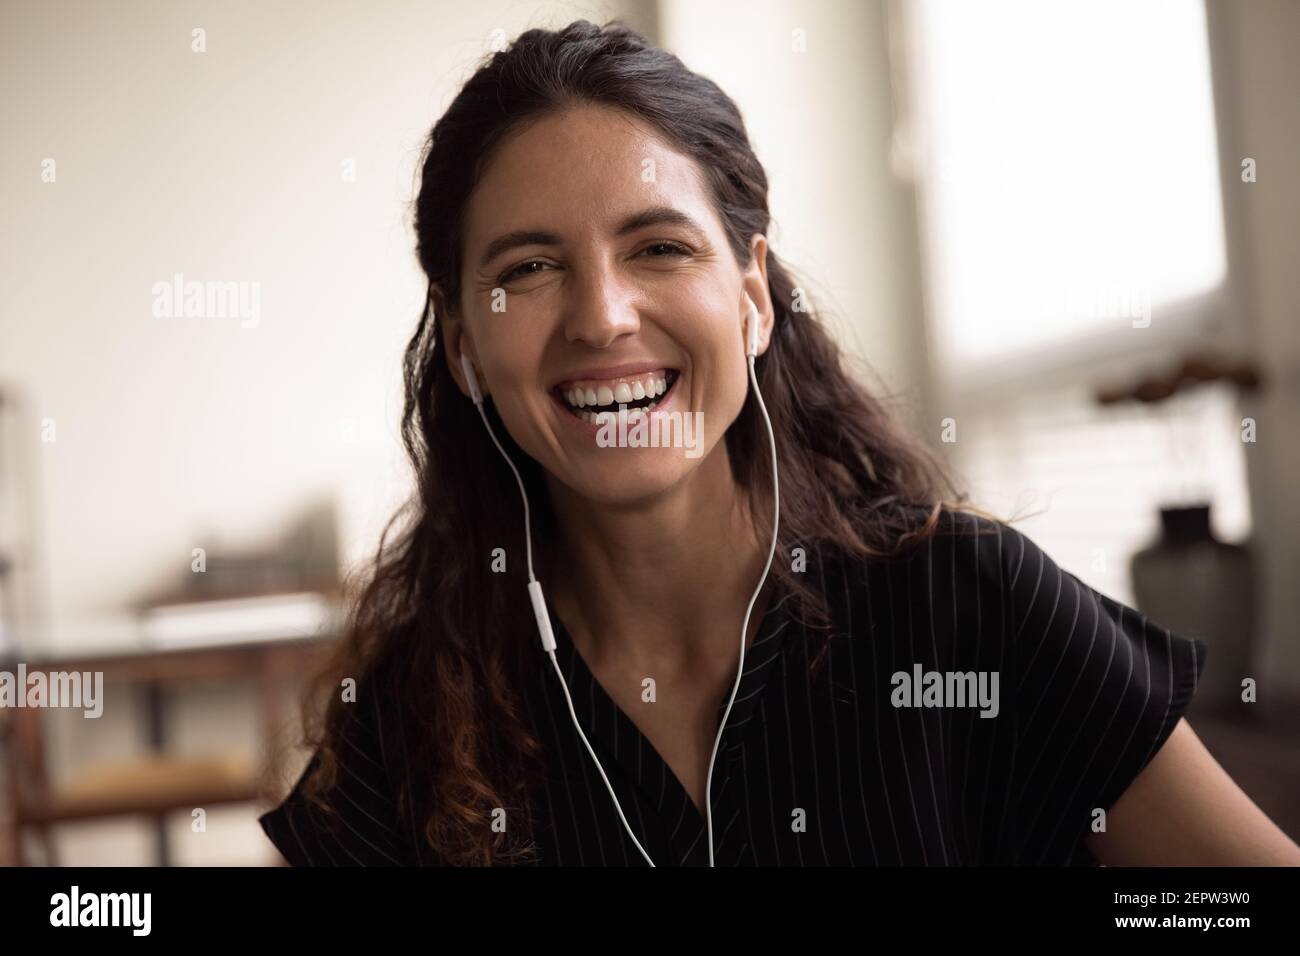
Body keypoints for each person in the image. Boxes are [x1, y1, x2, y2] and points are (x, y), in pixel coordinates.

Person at [257, 19, 1300, 867]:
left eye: (658, 246)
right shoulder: (400, 727)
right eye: (529, 268)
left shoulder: (969, 602)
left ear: (751, 296)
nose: (603, 315)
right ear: (464, 345)